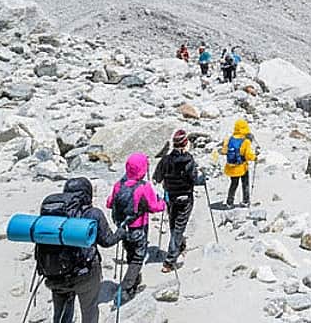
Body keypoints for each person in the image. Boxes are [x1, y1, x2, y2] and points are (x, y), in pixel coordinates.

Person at [45, 177, 122, 323]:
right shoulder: (93, 213)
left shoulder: (53, 212)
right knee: (89, 309)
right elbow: (107, 241)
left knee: (61, 313)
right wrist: (121, 233)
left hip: (56, 271)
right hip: (85, 272)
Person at [105, 153, 165, 301]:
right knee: (138, 257)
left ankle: (134, 280)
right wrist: (163, 203)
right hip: (139, 226)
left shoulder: (118, 185)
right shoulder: (144, 187)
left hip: (122, 227)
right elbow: (154, 207)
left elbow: (109, 203)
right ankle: (126, 288)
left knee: (130, 253)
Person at [152, 129, 208, 272]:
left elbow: (157, 178)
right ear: (185, 143)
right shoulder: (189, 160)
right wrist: (203, 177)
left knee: (174, 224)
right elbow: (194, 179)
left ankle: (180, 245)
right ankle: (170, 261)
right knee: (179, 227)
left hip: (170, 197)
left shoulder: (166, 159)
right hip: (185, 197)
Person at [222, 119, 257, 207]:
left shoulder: (229, 139)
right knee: (245, 184)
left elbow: (224, 151)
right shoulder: (246, 141)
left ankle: (229, 202)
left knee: (233, 184)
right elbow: (248, 155)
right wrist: (255, 157)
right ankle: (245, 201)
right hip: (242, 167)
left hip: (231, 167)